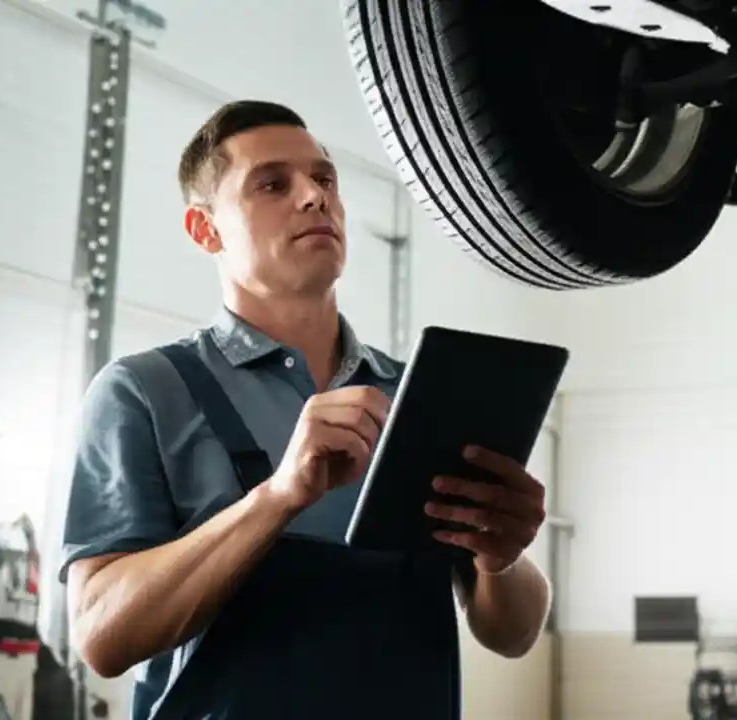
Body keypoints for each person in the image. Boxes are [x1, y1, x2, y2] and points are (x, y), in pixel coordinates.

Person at [59, 100, 552, 719]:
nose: (315, 197)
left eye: (324, 179)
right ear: (205, 229)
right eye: (272, 184)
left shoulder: (417, 396)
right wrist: (279, 496)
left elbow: (513, 634)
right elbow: (101, 637)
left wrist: (502, 559)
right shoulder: (143, 391)